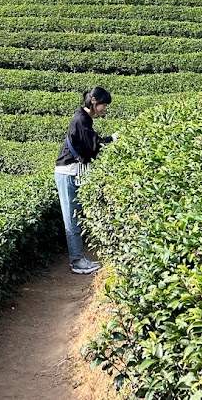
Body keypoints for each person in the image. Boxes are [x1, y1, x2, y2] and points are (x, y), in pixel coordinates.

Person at [55, 86, 114, 274]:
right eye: (104, 104)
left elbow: (92, 143)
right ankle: (77, 262)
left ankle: (80, 258)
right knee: (71, 219)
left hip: (72, 172)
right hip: (67, 173)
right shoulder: (81, 120)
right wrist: (112, 140)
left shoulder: (85, 119)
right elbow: (95, 146)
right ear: (95, 101)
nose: (105, 109)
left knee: (76, 216)